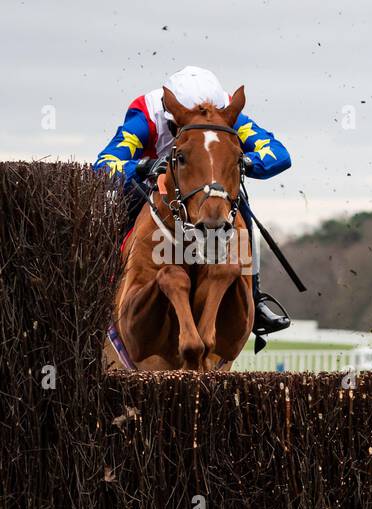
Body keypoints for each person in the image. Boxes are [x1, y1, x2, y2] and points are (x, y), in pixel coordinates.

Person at [94, 65, 293, 337]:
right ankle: (102, 289)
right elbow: (104, 165)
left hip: (208, 189)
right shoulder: (145, 116)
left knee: (241, 208)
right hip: (155, 185)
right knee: (123, 207)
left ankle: (255, 299)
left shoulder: (226, 114)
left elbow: (279, 155)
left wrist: (241, 163)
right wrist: (143, 166)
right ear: (170, 115)